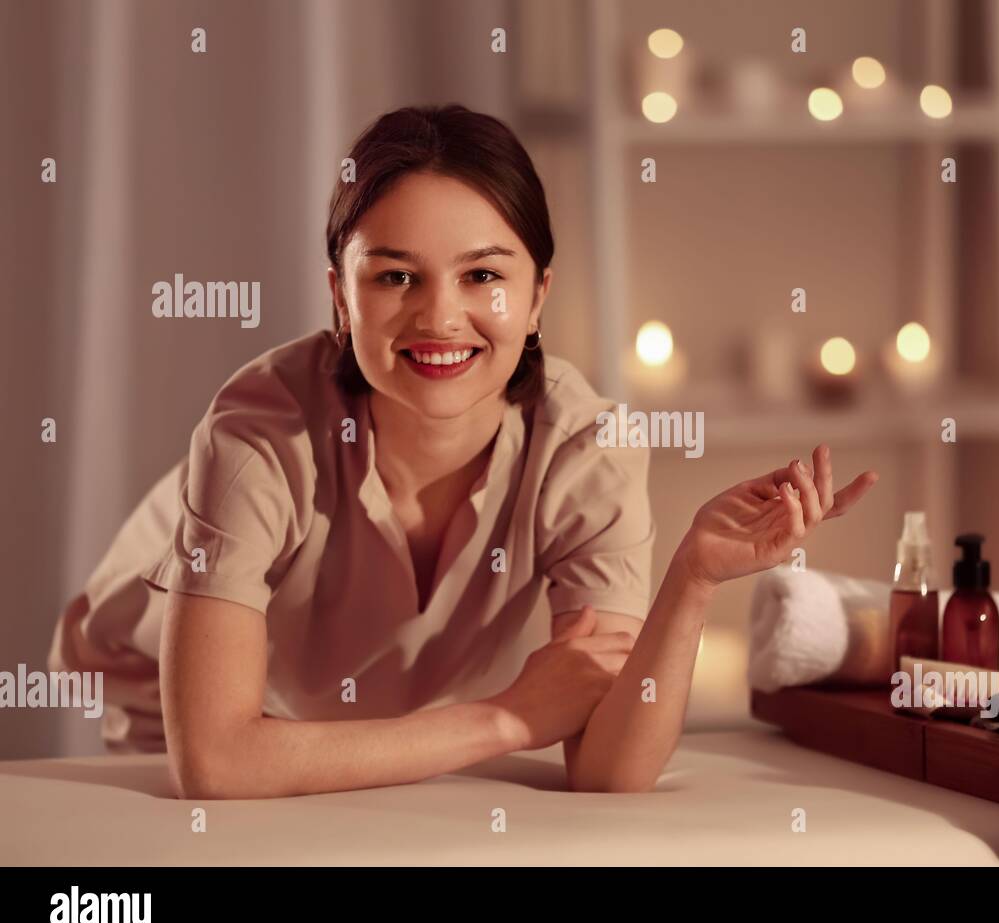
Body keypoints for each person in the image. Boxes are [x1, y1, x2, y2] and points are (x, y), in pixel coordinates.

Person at [49, 104, 877, 798]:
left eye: (483, 276)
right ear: (340, 295)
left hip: (354, 711)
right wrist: (509, 718)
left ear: (538, 296)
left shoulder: (586, 449)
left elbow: (608, 772)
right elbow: (218, 763)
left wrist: (691, 580)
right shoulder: (256, 431)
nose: (441, 318)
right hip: (162, 688)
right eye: (396, 277)